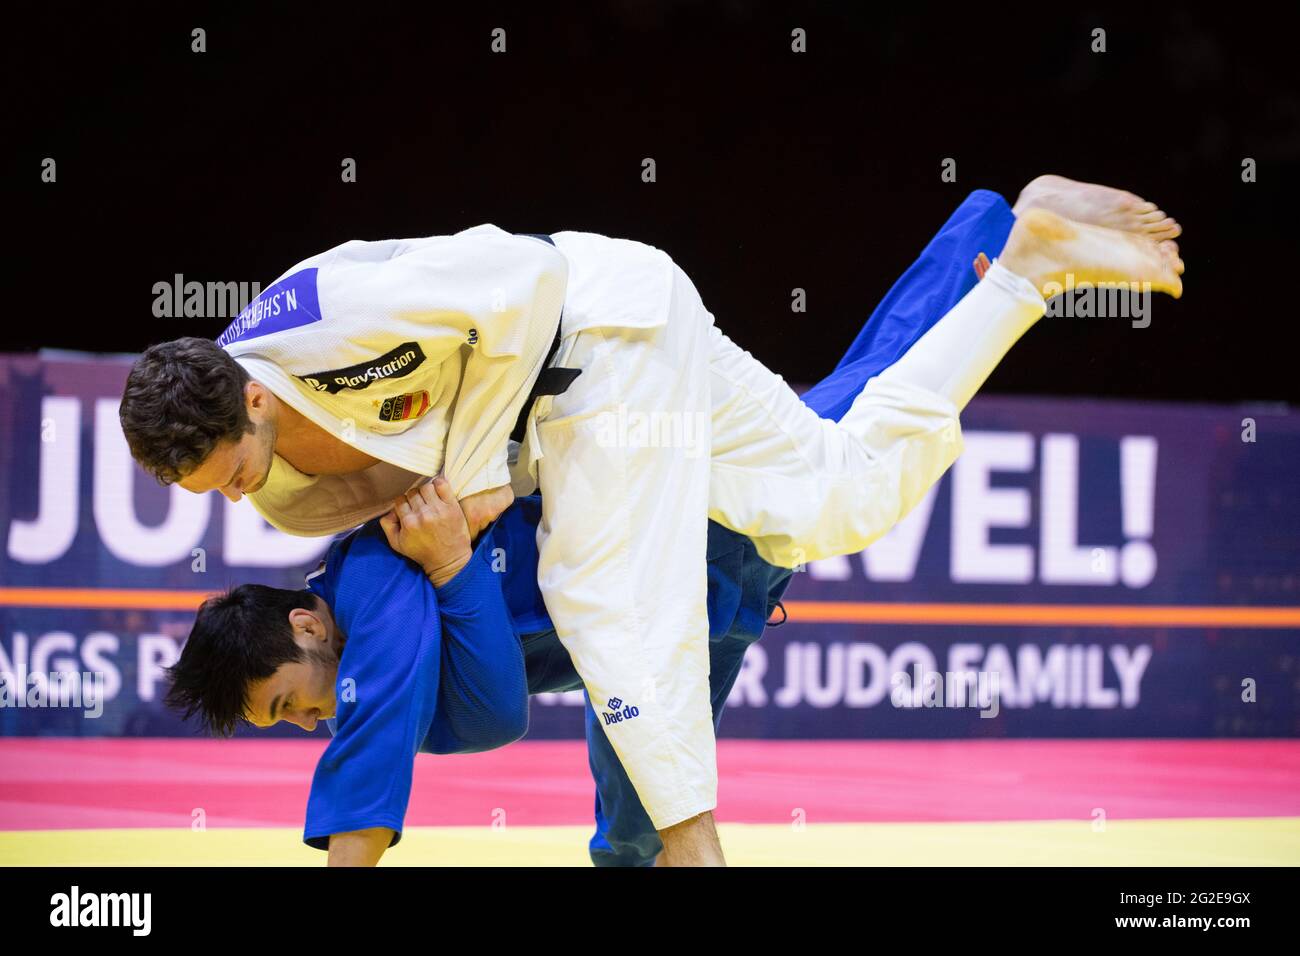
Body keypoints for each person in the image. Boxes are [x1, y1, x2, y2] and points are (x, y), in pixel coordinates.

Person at [127, 177, 1184, 865]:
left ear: (253, 396)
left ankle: (695, 846)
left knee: (610, 612)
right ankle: (1024, 261)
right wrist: (459, 537)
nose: (238, 497)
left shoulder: (329, 316)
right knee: (838, 479)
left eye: (234, 468)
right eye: (213, 491)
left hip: (591, 339)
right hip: (619, 357)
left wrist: (479, 479)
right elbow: (459, 673)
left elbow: (528, 272)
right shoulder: (279, 482)